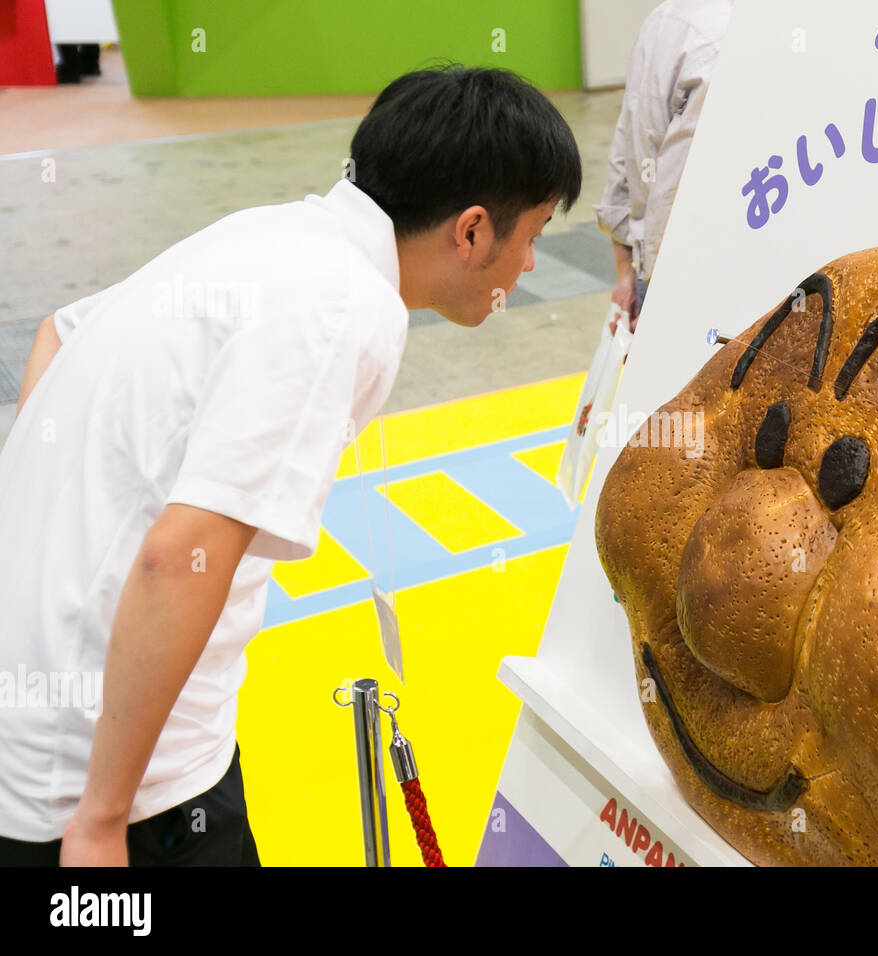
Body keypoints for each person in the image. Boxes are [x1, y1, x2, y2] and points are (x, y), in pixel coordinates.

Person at [0, 65, 581, 867]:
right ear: (474, 230)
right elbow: (179, 557)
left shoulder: (267, 235)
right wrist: (101, 820)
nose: (532, 265)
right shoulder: (346, 308)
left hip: (43, 719)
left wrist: (53, 540)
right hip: (116, 789)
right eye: (536, 234)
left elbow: (57, 335)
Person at [595, 0, 733, 333]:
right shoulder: (726, 39)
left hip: (655, 269)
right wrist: (664, 303)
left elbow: (627, 142)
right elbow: (679, 179)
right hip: (691, 281)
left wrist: (627, 270)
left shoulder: (663, 17)